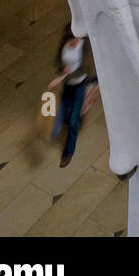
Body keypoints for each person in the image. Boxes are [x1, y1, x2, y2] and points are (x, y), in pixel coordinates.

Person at [48, 23, 97, 168]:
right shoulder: (64, 43)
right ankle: (71, 118)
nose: (74, 39)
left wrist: (63, 77)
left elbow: (85, 70)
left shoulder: (84, 47)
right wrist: (62, 69)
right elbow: (56, 61)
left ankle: (68, 152)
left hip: (79, 86)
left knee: (73, 120)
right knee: (63, 112)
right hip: (67, 86)